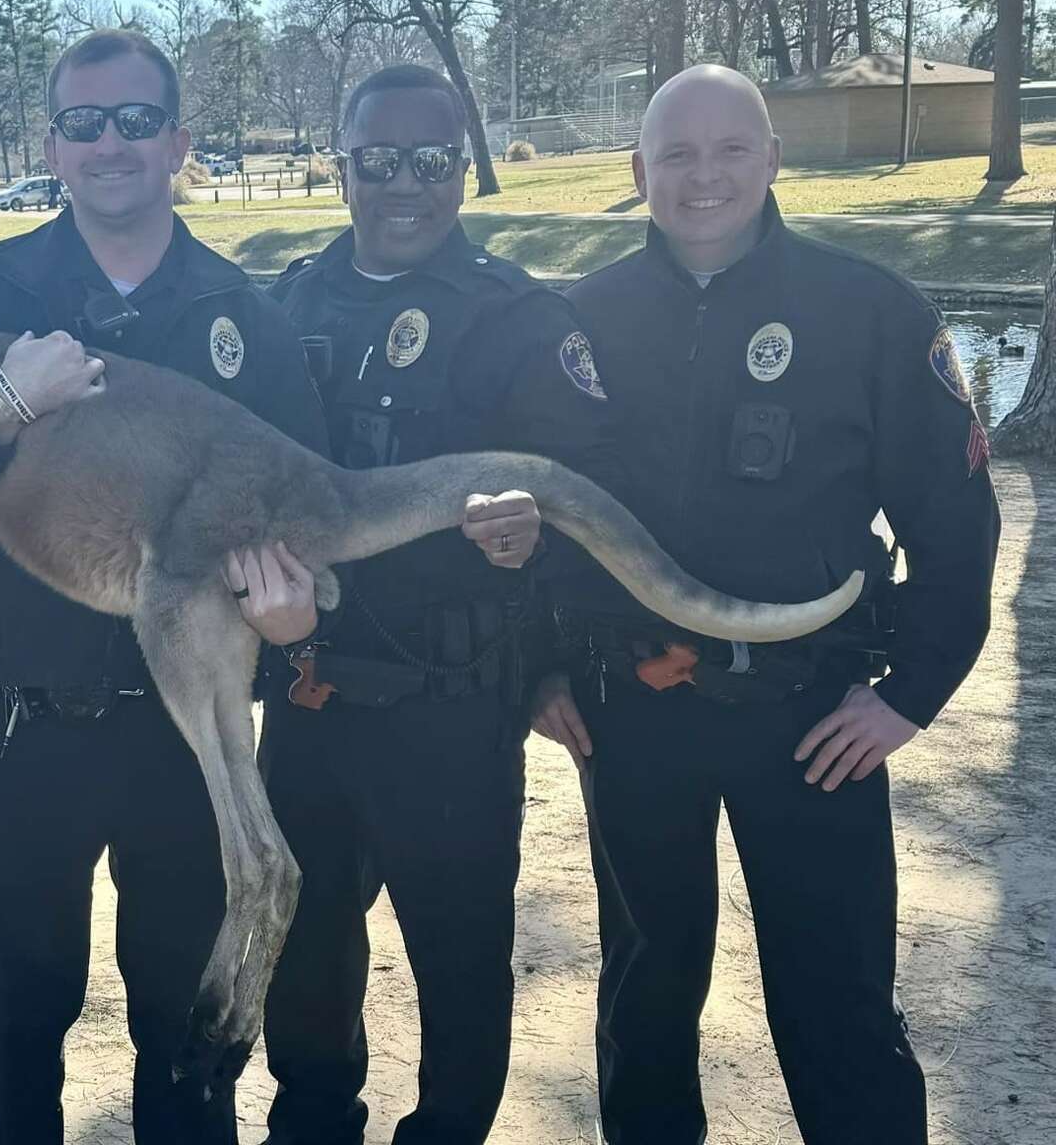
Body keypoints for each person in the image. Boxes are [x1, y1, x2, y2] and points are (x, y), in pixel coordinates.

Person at [534, 64, 1000, 1145]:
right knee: (644, 1002)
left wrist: (913, 693)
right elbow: (545, 514)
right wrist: (540, 668)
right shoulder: (578, 321)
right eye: (678, 154)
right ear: (639, 168)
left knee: (840, 1007)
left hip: (816, 722)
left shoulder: (871, 309)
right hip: (633, 712)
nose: (706, 176)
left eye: (732, 148)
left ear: (774, 158)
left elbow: (956, 522)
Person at [0, 28, 325, 1145]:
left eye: (136, 120)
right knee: (4, 1047)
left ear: (179, 142)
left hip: (183, 742)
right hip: (13, 724)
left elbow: (305, 522)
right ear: (53, 143)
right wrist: (2, 400)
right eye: (84, 122)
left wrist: (297, 618)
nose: (110, 143)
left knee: (190, 1048)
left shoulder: (248, 317)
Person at [249, 63, 620, 1145]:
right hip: (311, 693)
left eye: (428, 159)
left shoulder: (519, 317)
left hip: (455, 703)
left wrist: (537, 540)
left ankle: (450, 1128)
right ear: (343, 166)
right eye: (378, 161)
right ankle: (313, 1122)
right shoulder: (283, 304)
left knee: (458, 952)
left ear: (458, 168)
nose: (402, 183)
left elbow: (596, 499)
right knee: (303, 940)